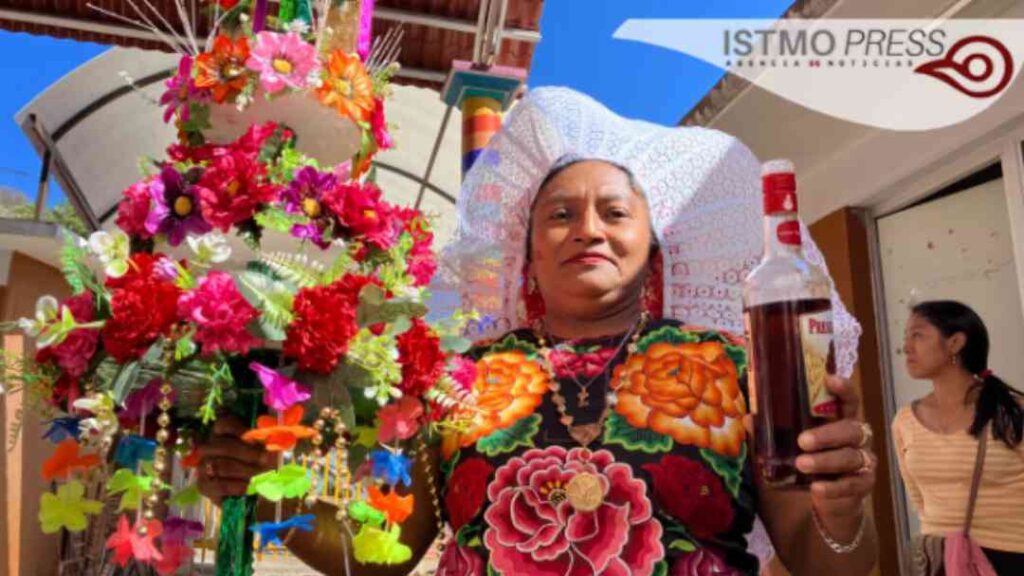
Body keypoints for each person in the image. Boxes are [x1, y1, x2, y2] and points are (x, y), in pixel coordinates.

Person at [197, 87, 879, 576]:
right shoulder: (457, 379)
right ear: (525, 247)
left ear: (653, 242)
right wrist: (266, 490)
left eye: (614, 212)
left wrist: (844, 509)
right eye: (560, 214)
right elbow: (384, 556)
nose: (588, 228)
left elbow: (828, 560)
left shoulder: (737, 365)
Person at [892, 300, 1024, 574]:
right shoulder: (905, 422)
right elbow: (919, 502)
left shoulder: (1011, 411)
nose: (906, 347)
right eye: (905, 337)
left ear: (955, 343)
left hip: (1011, 560)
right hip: (939, 562)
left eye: (917, 335)